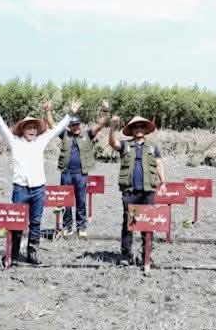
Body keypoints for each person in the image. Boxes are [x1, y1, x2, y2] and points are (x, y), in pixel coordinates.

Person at [0, 94, 76, 266]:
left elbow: (57, 130)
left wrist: (70, 115)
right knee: (17, 221)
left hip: (38, 189)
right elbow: (2, 127)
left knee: (35, 222)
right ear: (23, 129)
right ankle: (13, 253)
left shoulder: (40, 141)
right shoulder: (14, 142)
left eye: (35, 127)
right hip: (20, 188)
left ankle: (32, 253)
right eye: (29, 127)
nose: (32, 130)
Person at [108, 115, 167, 266]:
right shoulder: (125, 145)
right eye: (136, 127)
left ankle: (146, 254)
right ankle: (126, 255)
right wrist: (113, 128)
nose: (139, 129)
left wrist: (163, 182)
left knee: (147, 224)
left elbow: (159, 164)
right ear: (132, 130)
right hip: (130, 192)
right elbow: (112, 143)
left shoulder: (153, 147)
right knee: (129, 223)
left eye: (141, 127)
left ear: (145, 130)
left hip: (148, 191)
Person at [48, 99, 111, 236]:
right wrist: (48, 111)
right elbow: (52, 125)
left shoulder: (87, 134)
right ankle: (67, 227)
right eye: (73, 125)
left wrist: (106, 111)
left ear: (80, 125)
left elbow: (100, 124)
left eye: (77, 124)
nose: (76, 127)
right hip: (66, 174)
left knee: (81, 201)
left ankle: (81, 228)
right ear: (69, 126)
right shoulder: (64, 134)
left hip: (81, 174)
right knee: (66, 201)